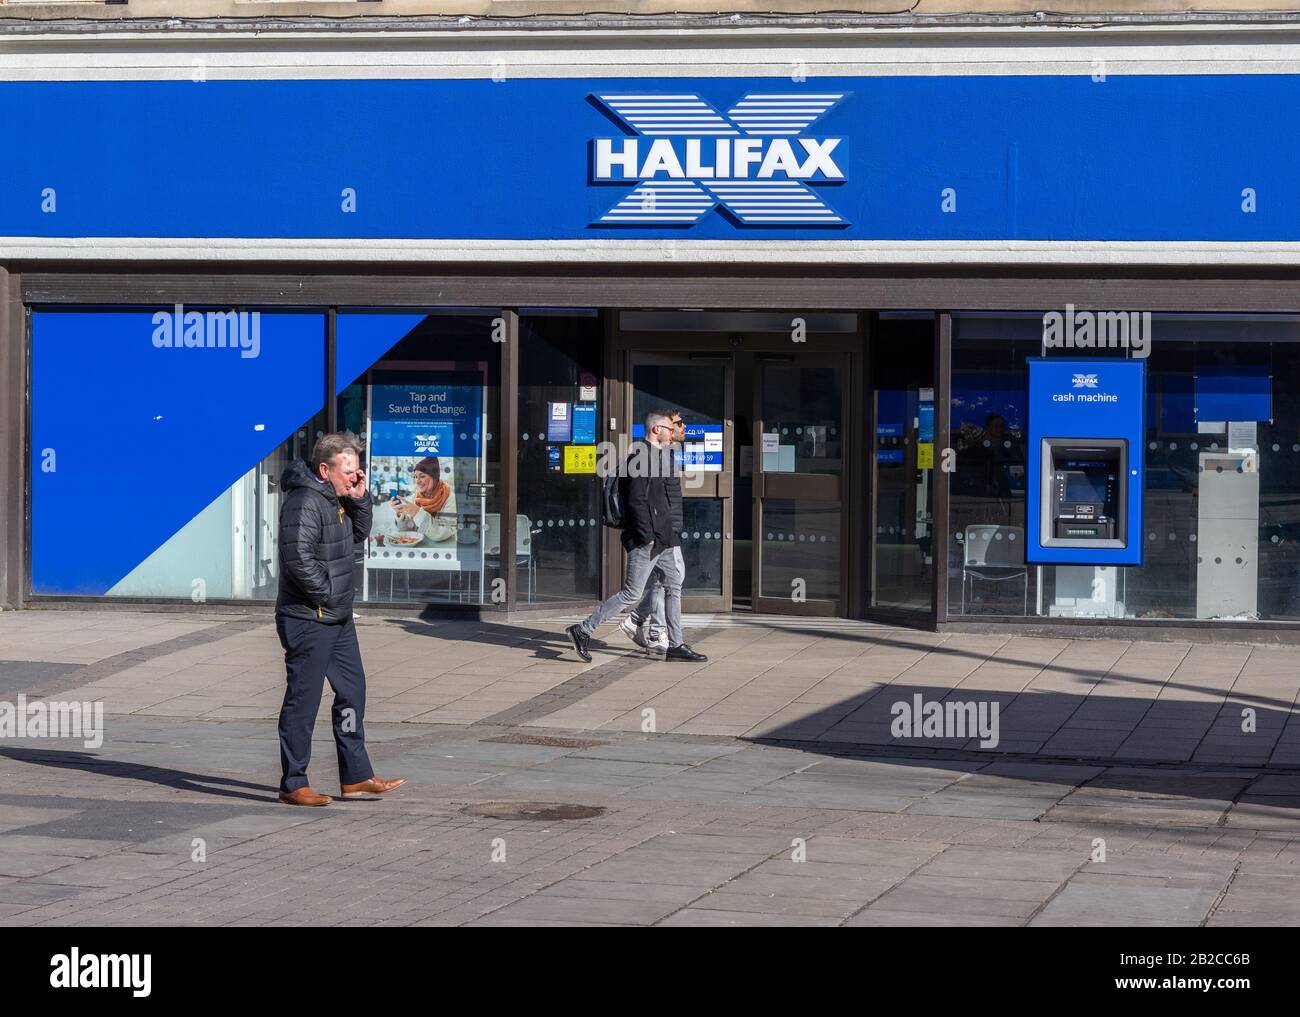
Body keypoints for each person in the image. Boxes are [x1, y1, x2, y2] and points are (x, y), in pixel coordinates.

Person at [275, 432, 407, 806]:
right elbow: (297, 559)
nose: (355, 475)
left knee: (352, 692)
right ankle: (293, 782)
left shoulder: (337, 497)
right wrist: (328, 595)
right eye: (348, 471)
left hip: (337, 617)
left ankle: (356, 776)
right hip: (309, 617)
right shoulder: (304, 501)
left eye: (357, 469)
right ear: (324, 469)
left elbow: (359, 534)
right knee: (304, 700)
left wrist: (360, 498)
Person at [566, 409, 707, 664]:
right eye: (668, 428)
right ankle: (583, 629)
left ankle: (676, 644)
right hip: (647, 540)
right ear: (657, 430)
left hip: (664, 537)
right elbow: (636, 501)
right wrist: (647, 536)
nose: (672, 432)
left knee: (674, 586)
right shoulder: (640, 458)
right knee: (631, 594)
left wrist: (668, 533)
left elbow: (663, 500)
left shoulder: (661, 456)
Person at [620, 410, 687, 656]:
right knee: (662, 582)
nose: (682, 428)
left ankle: (646, 624)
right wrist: (652, 532)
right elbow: (647, 499)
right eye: (677, 424)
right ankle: (655, 630)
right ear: (660, 428)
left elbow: (669, 495)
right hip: (661, 532)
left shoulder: (667, 453)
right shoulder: (652, 455)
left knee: (670, 580)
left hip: (667, 530)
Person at [391, 455, 458, 543]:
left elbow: (441, 533)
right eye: (415, 477)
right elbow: (409, 530)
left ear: (434, 478)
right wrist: (400, 515)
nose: (417, 481)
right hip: (419, 551)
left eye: (422, 476)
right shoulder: (415, 497)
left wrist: (417, 512)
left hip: (443, 551)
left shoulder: (450, 499)